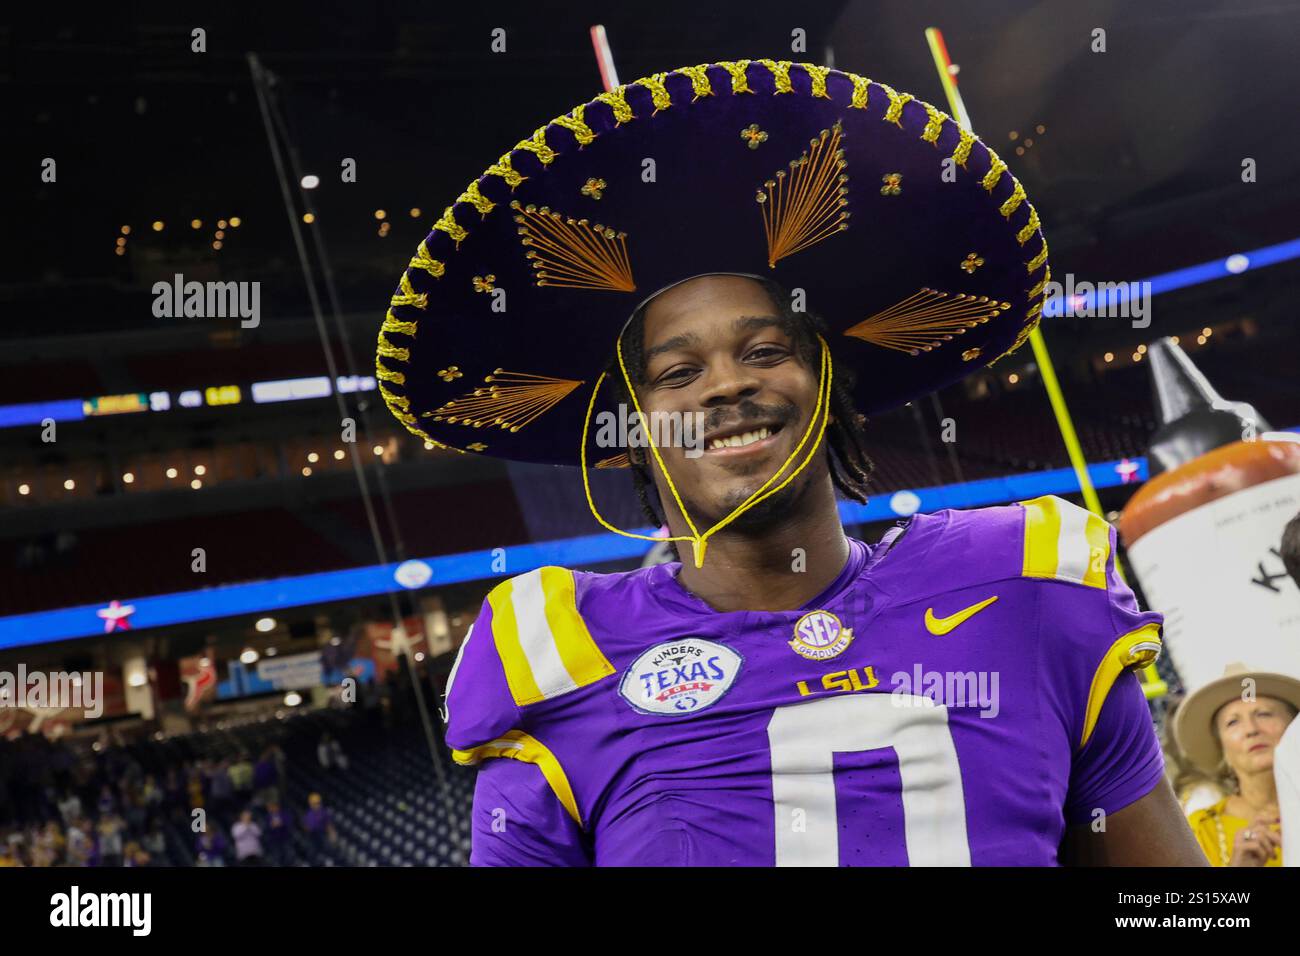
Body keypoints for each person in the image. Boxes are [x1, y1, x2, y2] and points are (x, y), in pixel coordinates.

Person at [380, 60, 1205, 866]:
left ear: (827, 387)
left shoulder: (1025, 592)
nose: (729, 383)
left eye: (765, 349)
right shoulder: (562, 660)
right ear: (629, 429)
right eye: (677, 372)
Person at [1174, 663, 1300, 865]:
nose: (1251, 729)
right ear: (1221, 747)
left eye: (1264, 714)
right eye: (1233, 722)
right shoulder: (1203, 831)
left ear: (1294, 725)